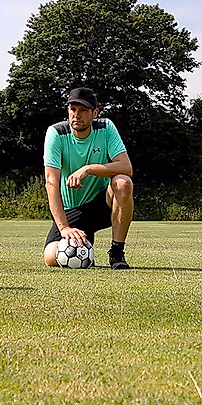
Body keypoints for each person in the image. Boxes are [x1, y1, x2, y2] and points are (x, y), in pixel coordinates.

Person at [43, 86, 133, 269]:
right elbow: (51, 183)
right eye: (73, 109)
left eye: (83, 110)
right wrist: (64, 228)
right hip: (71, 209)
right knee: (51, 258)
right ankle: (85, 250)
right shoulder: (56, 133)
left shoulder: (106, 128)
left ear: (94, 113)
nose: (77, 114)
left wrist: (89, 169)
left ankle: (117, 254)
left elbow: (126, 167)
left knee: (123, 182)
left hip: (100, 205)